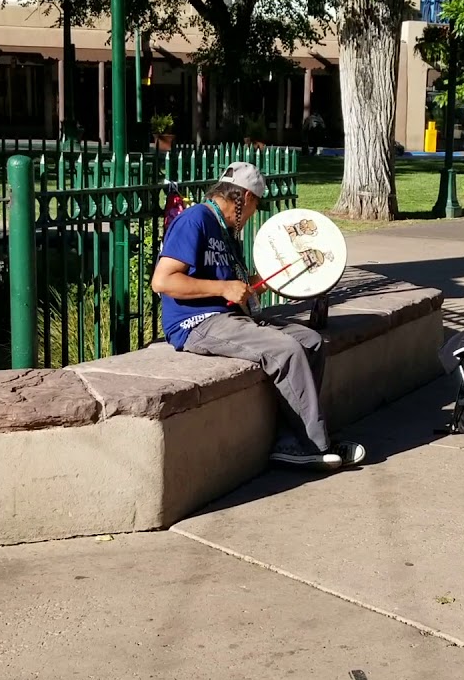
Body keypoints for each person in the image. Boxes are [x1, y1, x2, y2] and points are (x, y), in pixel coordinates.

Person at [151, 162, 365, 470]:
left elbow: (234, 286)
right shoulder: (195, 219)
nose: (254, 213)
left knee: (310, 341)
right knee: (286, 351)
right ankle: (314, 445)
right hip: (196, 323)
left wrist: (265, 283)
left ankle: (290, 441)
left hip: (231, 318)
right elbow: (163, 281)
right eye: (256, 204)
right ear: (246, 198)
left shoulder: (226, 234)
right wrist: (224, 287)